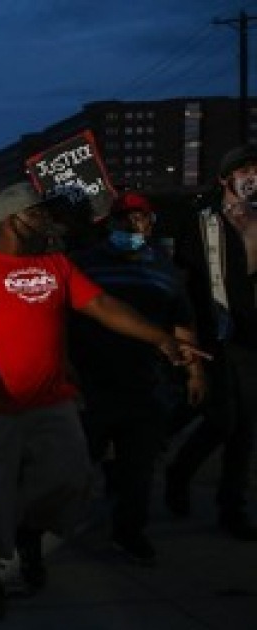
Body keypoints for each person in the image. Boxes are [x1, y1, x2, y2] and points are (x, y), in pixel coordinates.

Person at [0, 182, 202, 620]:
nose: (49, 223)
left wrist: (159, 337)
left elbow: (100, 304)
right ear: (13, 221)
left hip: (51, 400)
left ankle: (27, 532)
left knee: (69, 478)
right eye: (39, 215)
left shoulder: (56, 264)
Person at [69, 192, 205, 565]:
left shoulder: (165, 269)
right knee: (74, 466)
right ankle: (46, 529)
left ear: (150, 223)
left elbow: (182, 323)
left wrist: (194, 371)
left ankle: (129, 532)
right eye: (123, 220)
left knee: (139, 468)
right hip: (92, 384)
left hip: (146, 385)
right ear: (109, 224)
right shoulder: (83, 264)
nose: (131, 226)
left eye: (139, 219)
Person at [166, 145, 257, 540]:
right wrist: (186, 338)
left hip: (251, 337)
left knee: (246, 425)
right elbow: (181, 282)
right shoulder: (200, 222)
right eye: (245, 169)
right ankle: (179, 472)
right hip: (212, 334)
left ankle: (231, 506)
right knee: (223, 419)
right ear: (225, 178)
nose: (253, 176)